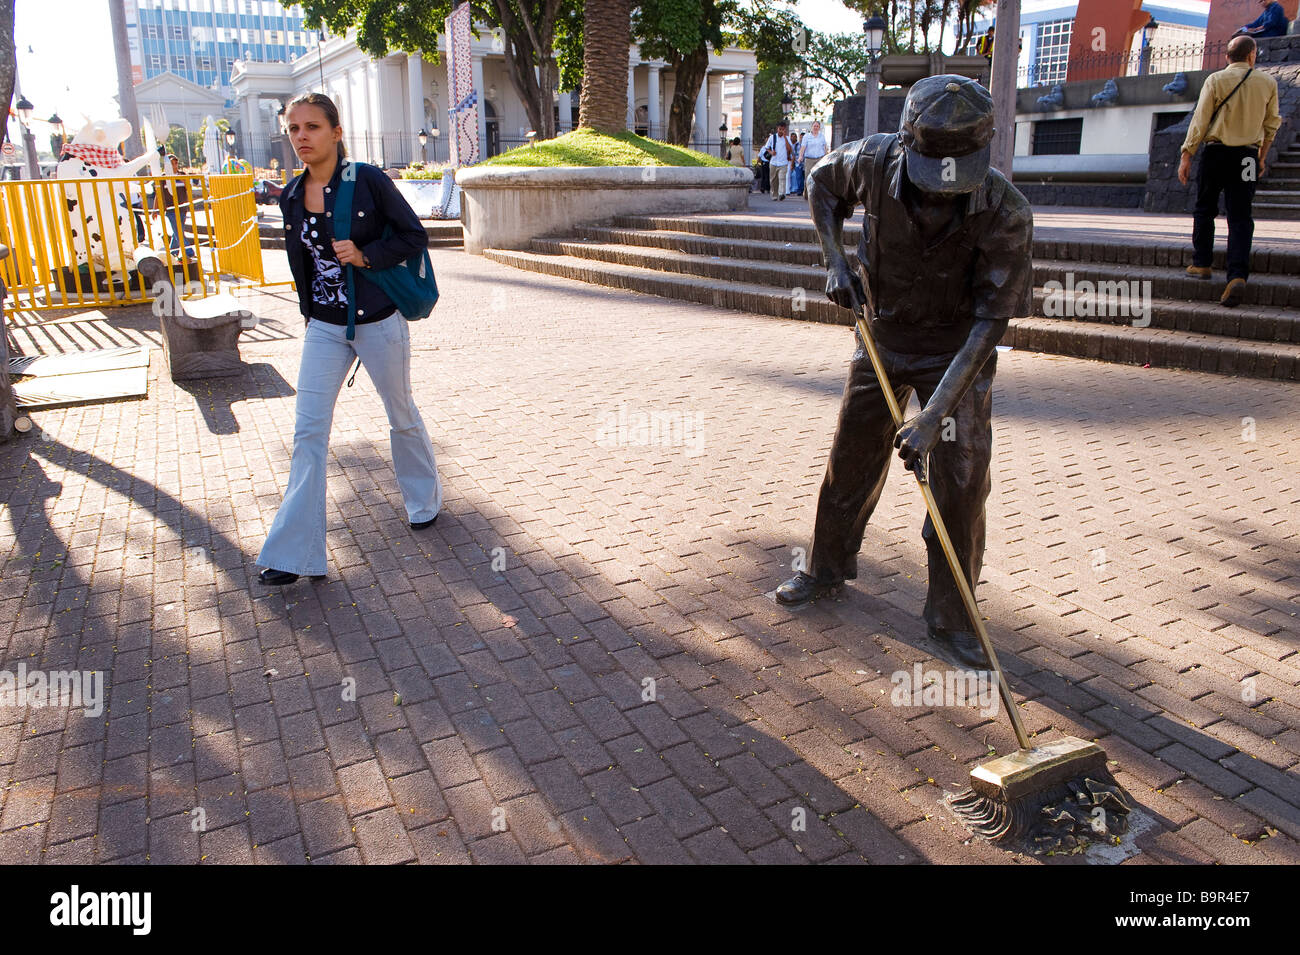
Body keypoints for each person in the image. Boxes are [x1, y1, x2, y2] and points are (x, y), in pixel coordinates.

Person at [775, 76, 1033, 670]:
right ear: (909, 141)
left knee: (961, 487)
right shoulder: (871, 160)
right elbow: (819, 185)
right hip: (882, 341)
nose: (940, 194)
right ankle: (826, 569)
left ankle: (953, 619)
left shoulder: (1006, 212)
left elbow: (991, 323)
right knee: (850, 464)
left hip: (956, 354)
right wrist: (835, 259)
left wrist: (934, 416)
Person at [256, 92, 443, 586]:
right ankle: (294, 553)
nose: (301, 137)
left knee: (400, 412)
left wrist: (364, 255)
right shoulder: (291, 196)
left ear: (336, 133)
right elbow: (304, 267)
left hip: (378, 320)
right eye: (294, 128)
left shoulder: (368, 182)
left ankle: (423, 499)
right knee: (308, 433)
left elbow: (413, 237)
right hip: (324, 327)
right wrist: (310, 313)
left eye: (312, 127)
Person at [1178, 35, 1280, 307]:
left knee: (1205, 208)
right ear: (1252, 56)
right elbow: (1272, 125)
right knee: (1241, 216)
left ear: (1227, 57)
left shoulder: (1215, 80)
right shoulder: (1268, 83)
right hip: (1247, 156)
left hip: (1215, 154)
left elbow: (1200, 121)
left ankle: (1202, 264)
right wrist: (1261, 157)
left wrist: (1187, 155)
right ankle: (1237, 274)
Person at [157, 153, 193, 259]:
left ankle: (172, 251)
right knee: (177, 229)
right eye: (171, 163)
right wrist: (156, 209)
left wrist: (184, 181)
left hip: (182, 207)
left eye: (176, 163)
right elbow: (158, 194)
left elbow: (189, 188)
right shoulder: (163, 177)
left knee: (178, 230)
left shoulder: (182, 174)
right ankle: (188, 250)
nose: (174, 165)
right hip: (170, 208)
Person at [761, 121, 795, 200]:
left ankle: (781, 193)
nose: (781, 131)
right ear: (777, 129)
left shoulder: (787, 138)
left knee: (782, 178)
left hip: (783, 162)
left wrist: (785, 137)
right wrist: (771, 152)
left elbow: (789, 149)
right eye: (780, 129)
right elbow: (767, 147)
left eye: (783, 129)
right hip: (774, 162)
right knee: (773, 180)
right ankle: (774, 195)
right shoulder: (772, 137)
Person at [798, 121, 828, 192]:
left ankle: (817, 193)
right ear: (811, 127)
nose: (816, 128)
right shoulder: (806, 136)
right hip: (809, 159)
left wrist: (827, 156)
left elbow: (825, 147)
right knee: (808, 176)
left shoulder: (822, 136)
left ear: (819, 128)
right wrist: (800, 156)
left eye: (817, 126)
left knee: (819, 176)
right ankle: (807, 192)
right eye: (814, 126)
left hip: (819, 159)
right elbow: (803, 148)